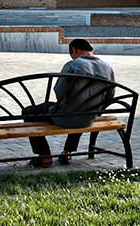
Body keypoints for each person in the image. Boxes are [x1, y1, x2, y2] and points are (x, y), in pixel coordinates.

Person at [23, 38, 115, 167]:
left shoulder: (72, 65)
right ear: (91, 50)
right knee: (84, 108)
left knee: (28, 112)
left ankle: (45, 156)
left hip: (65, 118)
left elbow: (60, 95)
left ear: (74, 50)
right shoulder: (107, 68)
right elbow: (109, 99)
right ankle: (67, 152)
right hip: (89, 119)